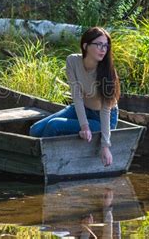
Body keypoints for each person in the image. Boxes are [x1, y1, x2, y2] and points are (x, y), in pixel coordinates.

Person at [29, 27, 120, 166]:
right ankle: (54, 150)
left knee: (54, 125)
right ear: (85, 46)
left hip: (103, 119)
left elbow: (105, 110)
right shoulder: (72, 61)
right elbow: (77, 97)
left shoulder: (107, 72)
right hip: (82, 108)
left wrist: (105, 146)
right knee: (35, 130)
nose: (103, 49)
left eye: (106, 45)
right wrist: (84, 126)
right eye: (99, 44)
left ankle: (43, 163)